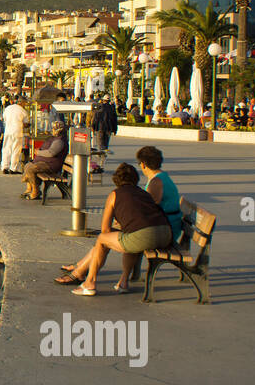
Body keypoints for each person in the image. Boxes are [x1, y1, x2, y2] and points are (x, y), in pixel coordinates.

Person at [54, 163, 173, 295]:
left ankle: (90, 283)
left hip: (144, 236)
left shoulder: (114, 195)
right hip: (165, 234)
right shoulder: (144, 193)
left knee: (102, 239)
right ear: (135, 179)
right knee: (129, 238)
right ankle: (123, 282)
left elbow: (105, 230)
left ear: (116, 179)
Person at [135, 146, 183, 246]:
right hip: (170, 225)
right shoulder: (161, 177)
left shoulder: (156, 182)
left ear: (143, 164)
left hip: (167, 230)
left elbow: (148, 209)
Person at [21, 121, 68, 199]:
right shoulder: (54, 138)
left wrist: (38, 152)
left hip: (51, 164)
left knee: (31, 169)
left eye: (53, 129)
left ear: (58, 130)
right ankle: (30, 189)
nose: (52, 130)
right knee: (28, 165)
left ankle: (35, 192)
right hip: (45, 162)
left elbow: (51, 153)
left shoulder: (59, 141)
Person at [0, 94, 29, 174]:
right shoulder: (23, 111)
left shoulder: (8, 108)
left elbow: (4, 119)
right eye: (25, 103)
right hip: (17, 131)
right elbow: (26, 123)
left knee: (6, 148)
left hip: (8, 131)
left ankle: (4, 167)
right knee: (16, 149)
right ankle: (13, 168)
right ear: (22, 102)